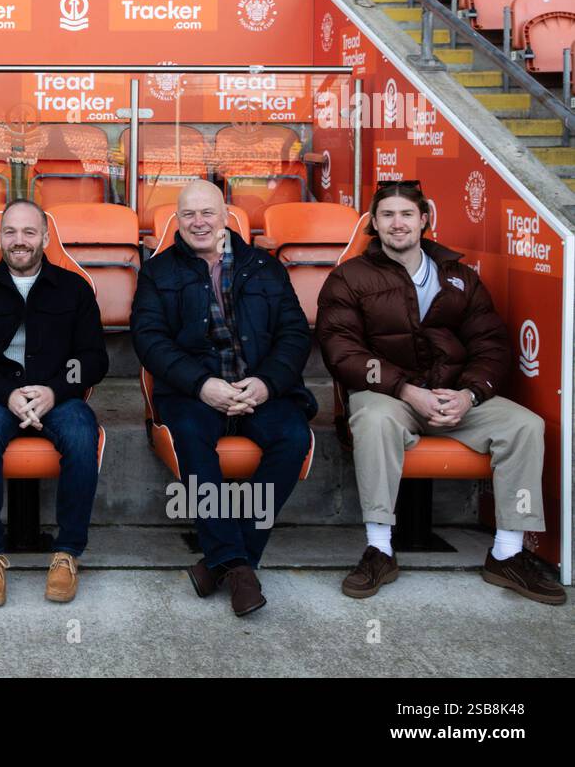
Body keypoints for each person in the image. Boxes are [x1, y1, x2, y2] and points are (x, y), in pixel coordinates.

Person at [316, 181, 565, 605]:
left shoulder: (459, 276)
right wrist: (405, 389)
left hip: (453, 395)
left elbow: (491, 345)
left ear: (424, 219)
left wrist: (470, 393)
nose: (398, 224)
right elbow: (343, 351)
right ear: (374, 223)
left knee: (525, 425)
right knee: (373, 419)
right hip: (388, 394)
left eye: (407, 215)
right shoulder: (350, 277)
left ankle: (507, 553)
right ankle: (379, 548)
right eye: (388, 215)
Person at [131, 181, 316, 616]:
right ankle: (238, 564)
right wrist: (202, 385)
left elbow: (293, 334)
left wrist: (267, 383)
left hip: (260, 390)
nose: (199, 222)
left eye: (207, 213)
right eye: (189, 214)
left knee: (292, 437)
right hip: (193, 393)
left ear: (225, 217)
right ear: (177, 219)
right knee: (193, 440)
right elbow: (150, 341)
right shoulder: (158, 272)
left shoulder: (265, 267)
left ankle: (227, 561)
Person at [0, 200, 108, 607]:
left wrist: (54, 390)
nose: (20, 241)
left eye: (29, 232)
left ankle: (66, 554)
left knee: (80, 432)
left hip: (57, 395)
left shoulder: (74, 288)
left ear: (45, 237)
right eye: (11, 232)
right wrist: (6, 393)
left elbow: (94, 358)